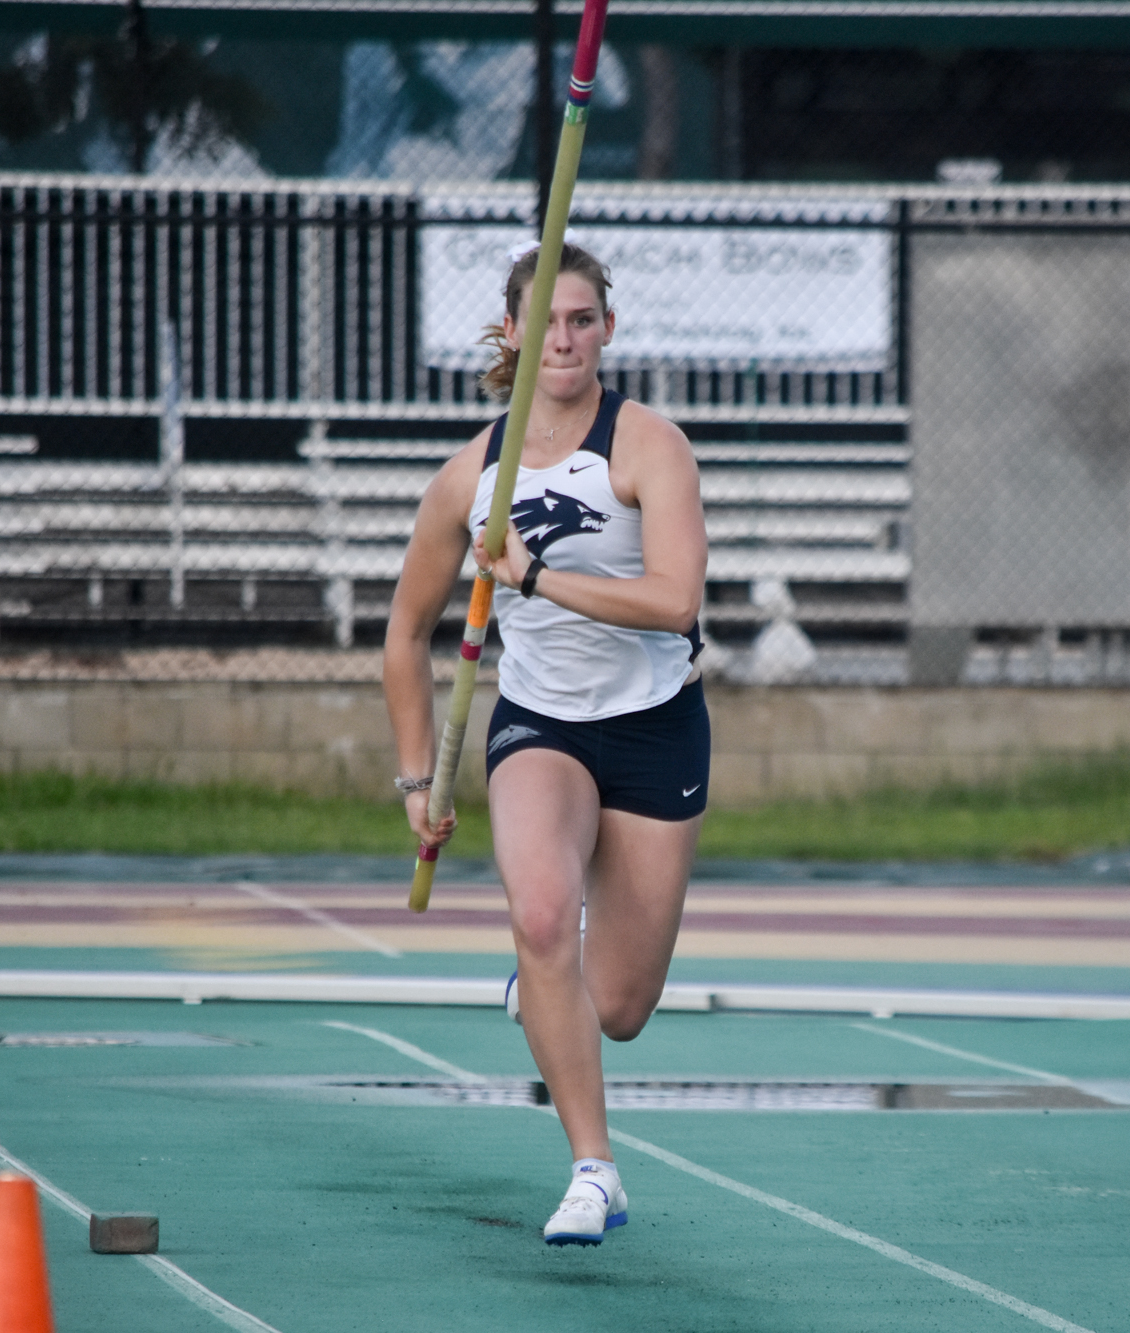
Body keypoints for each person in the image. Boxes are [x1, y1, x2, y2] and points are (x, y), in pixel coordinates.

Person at [382, 242, 709, 1246]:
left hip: (655, 726)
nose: (562, 340)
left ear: (606, 329)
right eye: (546, 322)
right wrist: (412, 775)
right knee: (536, 910)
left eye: (581, 320)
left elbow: (673, 601)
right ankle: (592, 1168)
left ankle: (548, 986)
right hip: (539, 726)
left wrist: (530, 577)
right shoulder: (466, 477)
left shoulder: (647, 447)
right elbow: (403, 634)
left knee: (618, 1006)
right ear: (511, 333)